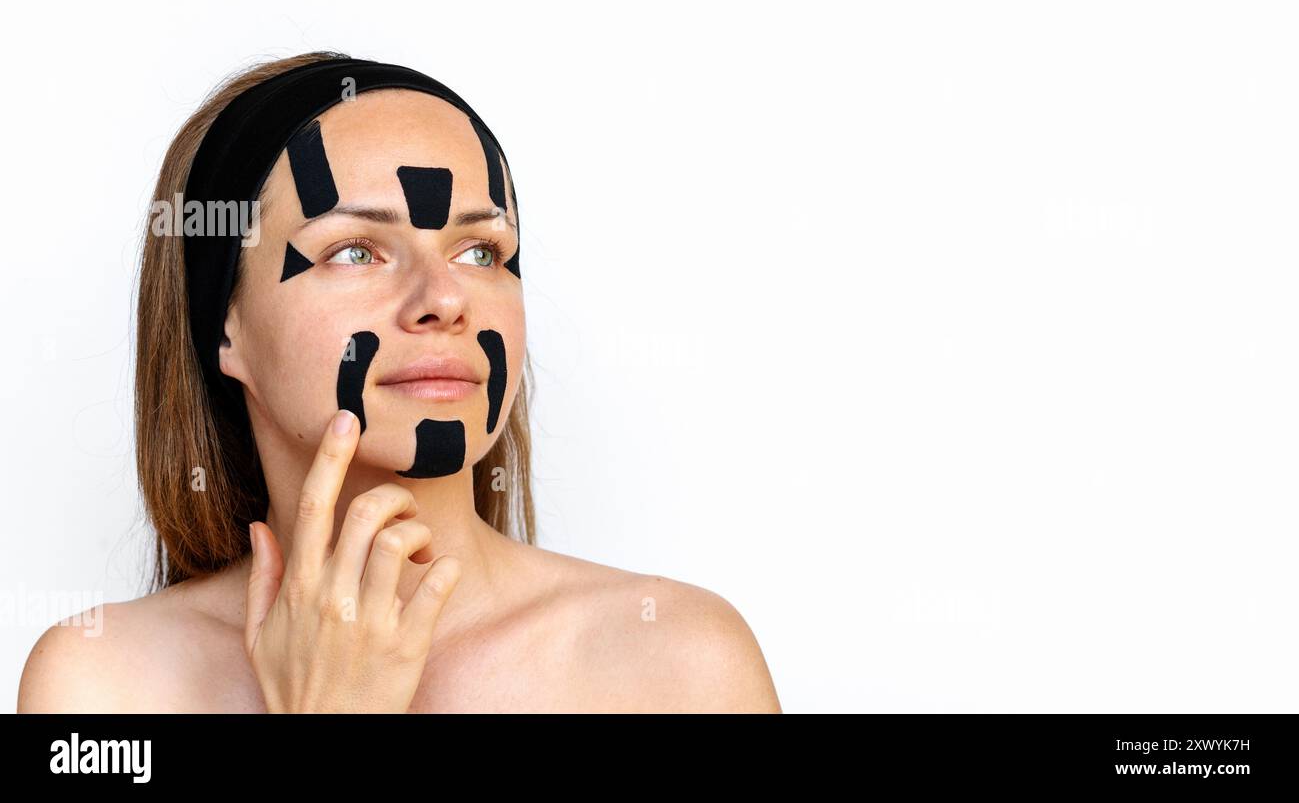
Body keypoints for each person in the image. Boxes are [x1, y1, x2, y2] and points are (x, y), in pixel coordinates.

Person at [17, 52, 781, 713]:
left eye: (480, 251)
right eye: (354, 250)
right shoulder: (102, 681)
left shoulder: (679, 664)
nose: (445, 299)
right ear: (226, 325)